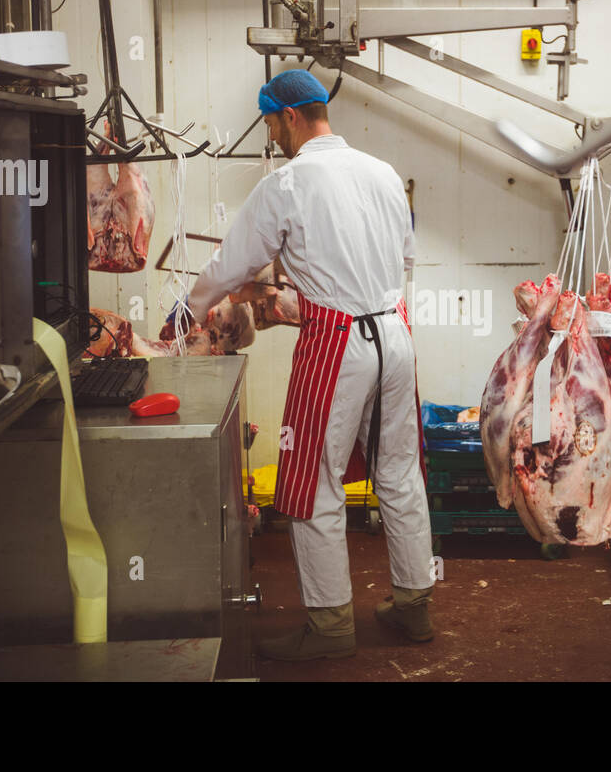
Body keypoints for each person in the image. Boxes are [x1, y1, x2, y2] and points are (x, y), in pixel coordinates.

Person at [186, 69, 435, 661]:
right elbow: (399, 261)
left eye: (271, 123)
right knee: (400, 472)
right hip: (394, 335)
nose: (271, 135)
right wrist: (300, 295)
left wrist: (192, 308)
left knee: (312, 482)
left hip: (338, 346)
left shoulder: (288, 183)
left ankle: (329, 626)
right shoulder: (382, 172)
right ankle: (414, 606)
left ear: (290, 116)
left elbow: (231, 263)